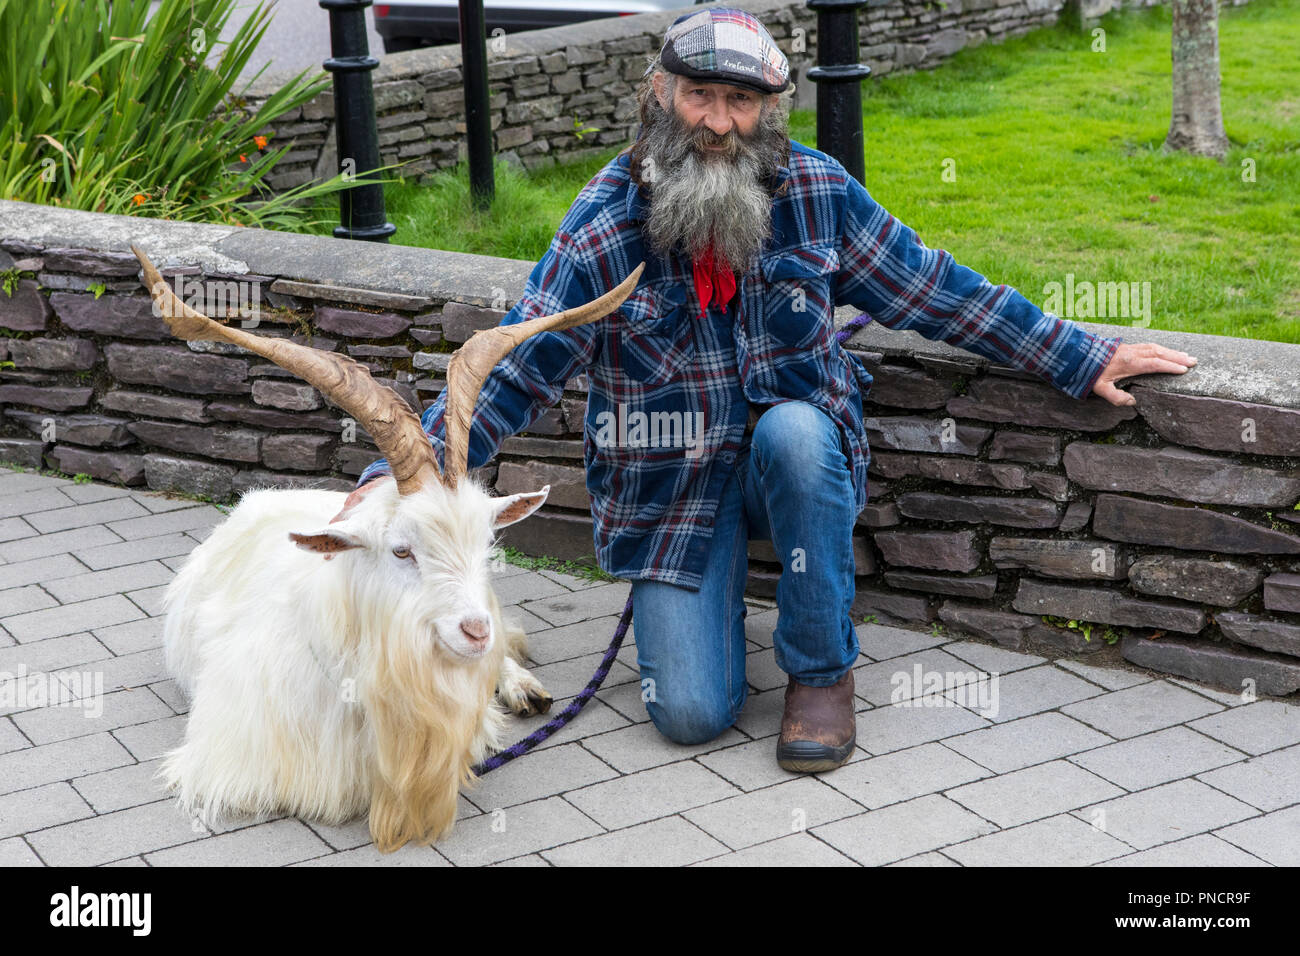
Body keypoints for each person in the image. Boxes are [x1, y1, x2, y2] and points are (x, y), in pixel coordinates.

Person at [346, 7, 1197, 772]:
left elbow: (933, 287)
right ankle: (706, 618)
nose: (720, 122)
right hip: (672, 489)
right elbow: (514, 367)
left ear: (769, 110)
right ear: (660, 93)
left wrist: (1080, 355)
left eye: (742, 102)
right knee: (687, 716)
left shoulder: (816, 190)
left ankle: (820, 671)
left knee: (795, 429)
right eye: (701, 96)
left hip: (796, 466)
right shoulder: (605, 222)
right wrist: (400, 479)